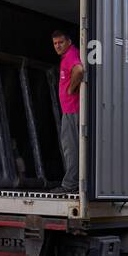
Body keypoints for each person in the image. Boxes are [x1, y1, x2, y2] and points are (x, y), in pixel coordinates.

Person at [51, 29, 84, 194]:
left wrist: (71, 89)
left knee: (70, 148)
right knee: (74, 148)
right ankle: (75, 182)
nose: (57, 46)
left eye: (61, 42)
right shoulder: (68, 55)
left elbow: (78, 70)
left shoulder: (70, 55)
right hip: (71, 110)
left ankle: (70, 184)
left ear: (69, 42)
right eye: (55, 43)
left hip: (72, 110)